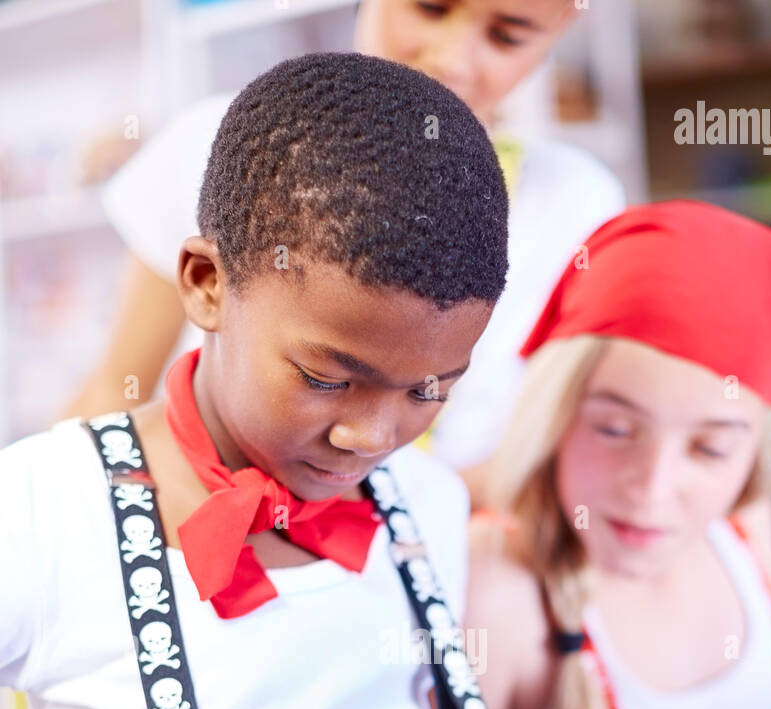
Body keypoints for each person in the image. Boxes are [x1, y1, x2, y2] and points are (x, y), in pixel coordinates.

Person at [0, 53, 509, 709]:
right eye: (328, 375)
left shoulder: (429, 502)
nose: (374, 435)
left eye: (428, 388)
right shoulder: (46, 501)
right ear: (203, 282)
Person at [66, 0, 625, 489]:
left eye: (508, 36)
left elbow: (544, 444)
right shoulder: (220, 142)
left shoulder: (578, 204)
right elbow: (117, 383)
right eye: (429, 7)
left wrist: (402, 524)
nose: (452, 58)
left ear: (563, 24)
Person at [467, 200, 771, 709]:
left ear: (754, 458)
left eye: (710, 449)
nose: (653, 490)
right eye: (614, 429)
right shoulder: (502, 586)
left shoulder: (744, 530)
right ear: (555, 416)